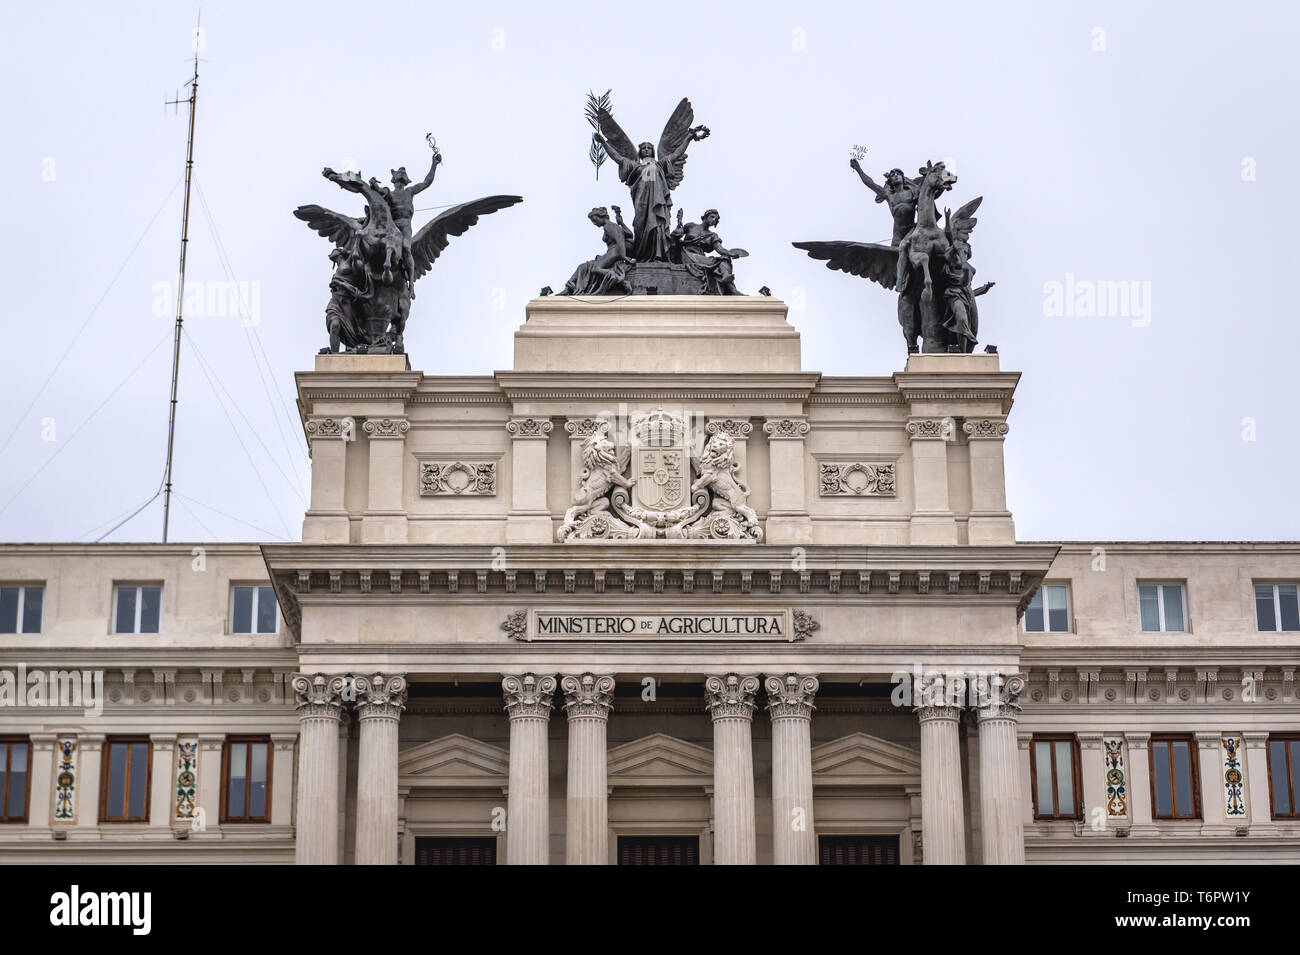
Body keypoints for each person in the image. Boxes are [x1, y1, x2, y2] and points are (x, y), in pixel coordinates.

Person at [671, 209, 746, 295]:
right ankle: (727, 283)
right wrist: (678, 229)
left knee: (725, 259)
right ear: (705, 217)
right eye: (712, 217)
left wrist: (730, 253)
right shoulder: (691, 226)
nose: (714, 220)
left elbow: (720, 249)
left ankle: (729, 284)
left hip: (699, 256)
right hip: (686, 253)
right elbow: (675, 236)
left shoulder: (713, 235)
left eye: (716, 219)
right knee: (718, 262)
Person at [563, 206, 634, 295]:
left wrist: (623, 256)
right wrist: (621, 223)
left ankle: (621, 281)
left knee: (595, 268)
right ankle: (570, 287)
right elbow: (629, 234)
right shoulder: (612, 225)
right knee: (583, 267)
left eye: (594, 220)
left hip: (615, 252)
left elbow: (620, 240)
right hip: (613, 252)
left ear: (601, 216)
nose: (594, 223)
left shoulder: (608, 226)